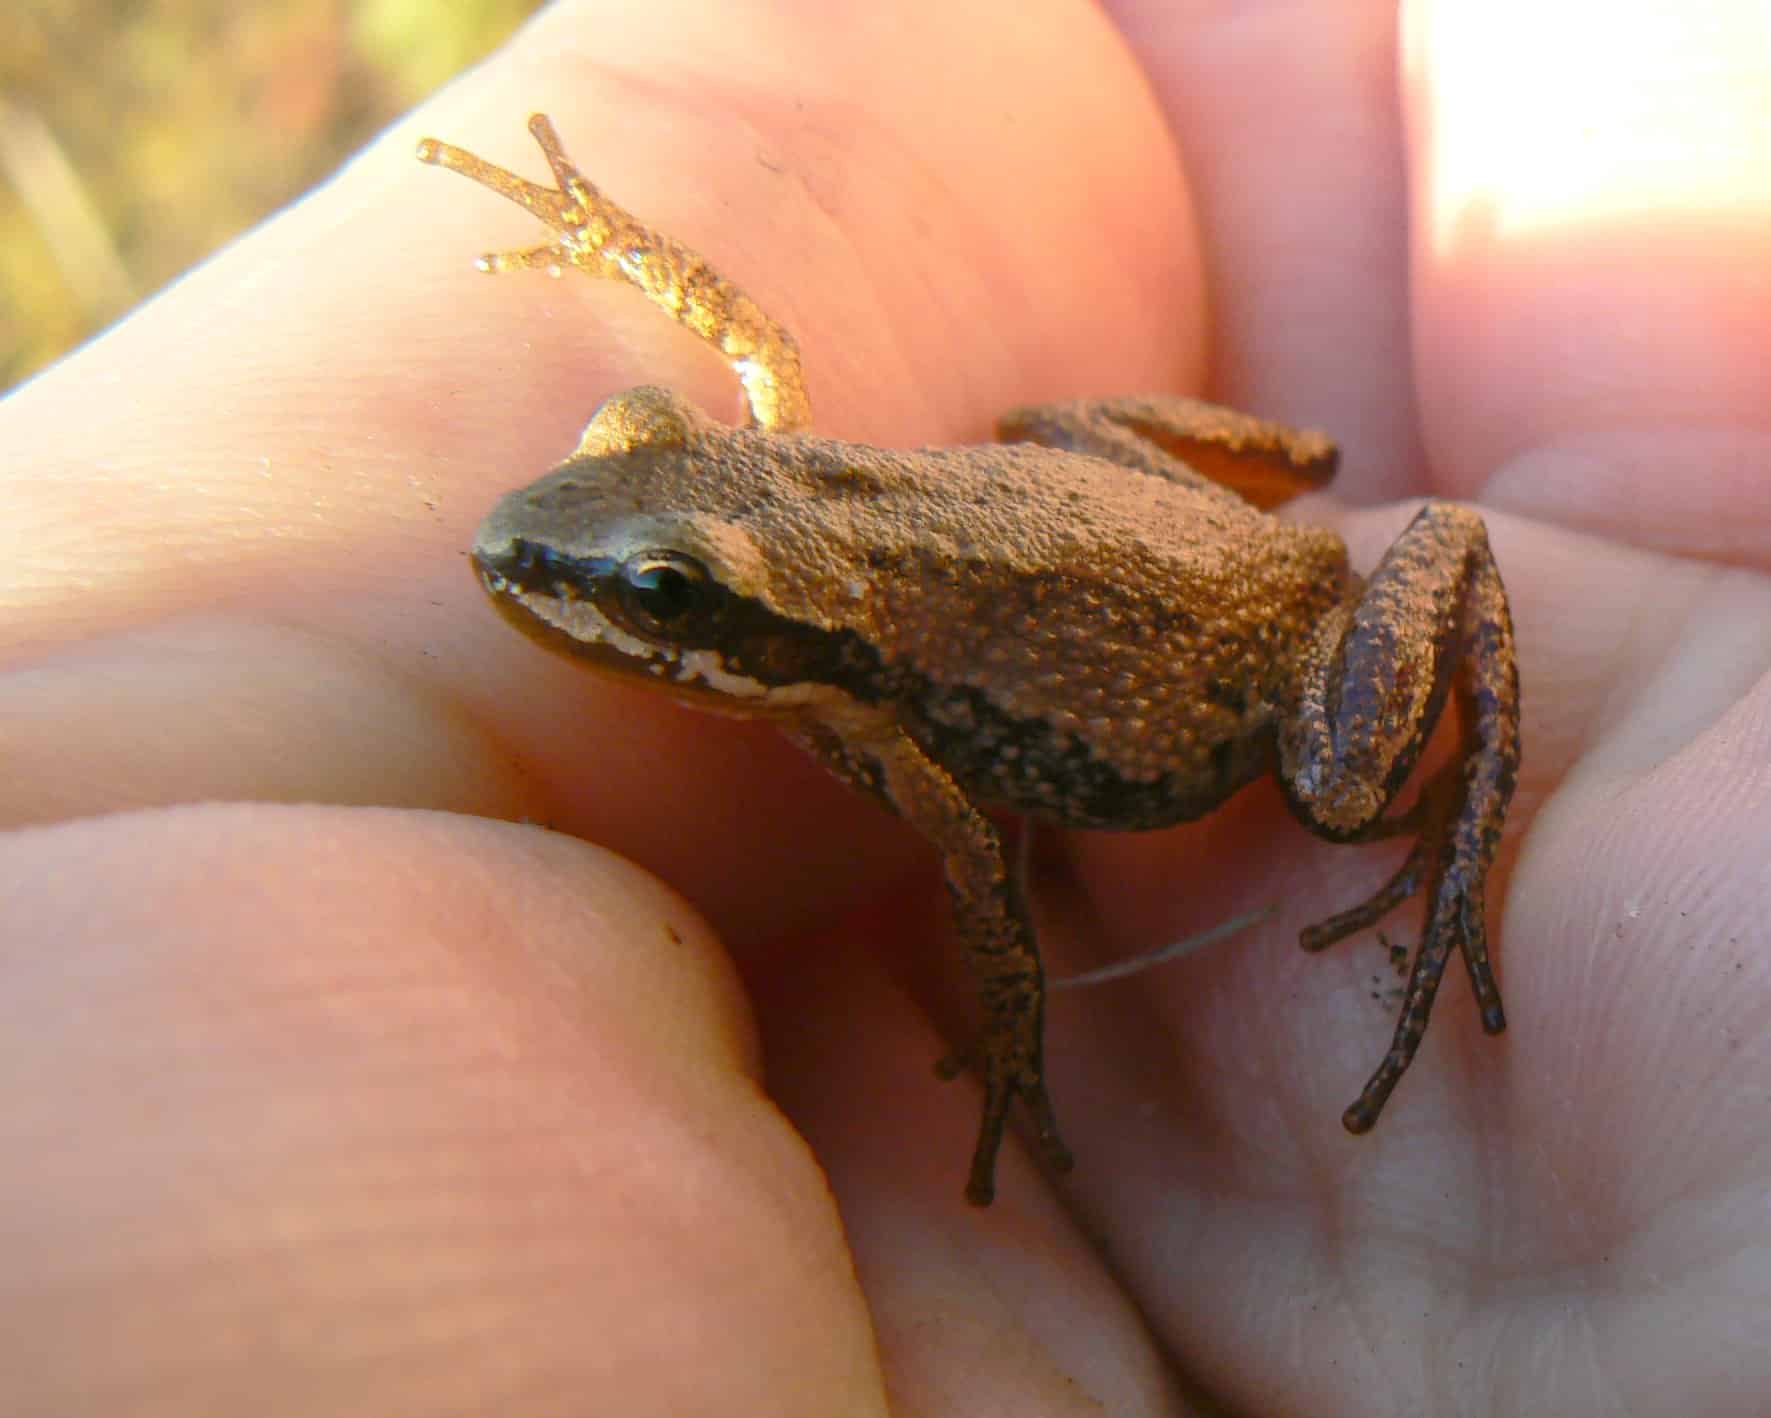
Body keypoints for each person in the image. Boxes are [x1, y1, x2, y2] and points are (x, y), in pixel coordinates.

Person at [2, 1, 1767, 1411]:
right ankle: (1282, 494)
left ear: (770, 640)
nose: (603, 595)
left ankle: (1463, 822)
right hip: (1136, 513)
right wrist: (622, 246)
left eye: (671, 602)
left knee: (1334, 783)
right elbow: (744, 350)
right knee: (1044, 439)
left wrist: (1016, 1050)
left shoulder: (871, 717)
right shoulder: (771, 477)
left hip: (1257, 642)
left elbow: (990, 896)